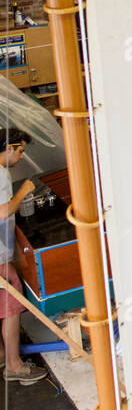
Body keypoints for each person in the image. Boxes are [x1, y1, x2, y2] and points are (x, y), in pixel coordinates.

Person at [0, 129, 46, 385]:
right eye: (20, 151)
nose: (20, 157)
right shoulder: (1, 174)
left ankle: (3, 354)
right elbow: (3, 212)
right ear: (9, 147)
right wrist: (24, 191)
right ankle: (14, 366)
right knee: (11, 305)